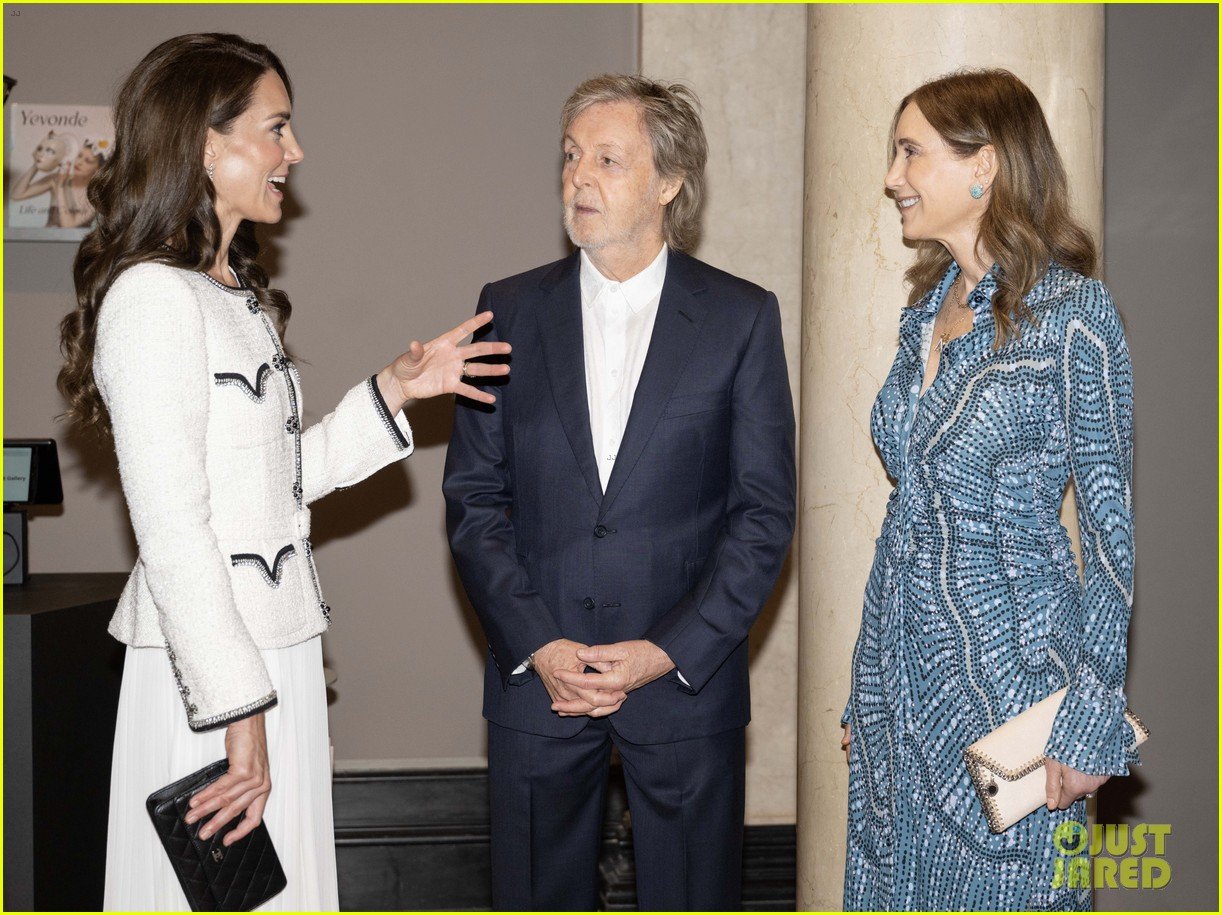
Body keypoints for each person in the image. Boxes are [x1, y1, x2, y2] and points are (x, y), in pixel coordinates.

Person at [56, 33, 509, 911]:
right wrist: (239, 713)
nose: (294, 152)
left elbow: (270, 483)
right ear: (204, 144)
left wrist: (395, 390)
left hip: (276, 651)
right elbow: (174, 529)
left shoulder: (230, 289)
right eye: (276, 128)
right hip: (209, 674)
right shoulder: (151, 299)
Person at [443, 74, 795, 911]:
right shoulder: (507, 309)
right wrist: (541, 643)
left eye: (607, 158)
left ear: (669, 182)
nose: (578, 176)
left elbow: (762, 514)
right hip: (539, 686)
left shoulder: (741, 317)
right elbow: (473, 499)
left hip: (683, 689)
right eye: (570, 156)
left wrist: (667, 651)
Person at [839, 68, 1138, 911]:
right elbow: (905, 521)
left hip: (1014, 700)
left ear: (985, 165)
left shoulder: (1074, 316)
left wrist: (1089, 719)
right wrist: (868, 681)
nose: (892, 177)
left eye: (911, 152)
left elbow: (1111, 541)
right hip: (900, 700)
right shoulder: (924, 316)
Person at [47, 139, 106, 228]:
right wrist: (38, 165)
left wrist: (60, 185)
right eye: (79, 156)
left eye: (88, 161)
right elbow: (23, 193)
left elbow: (67, 226)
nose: (79, 162)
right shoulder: (62, 179)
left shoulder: (96, 198)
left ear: (97, 169)